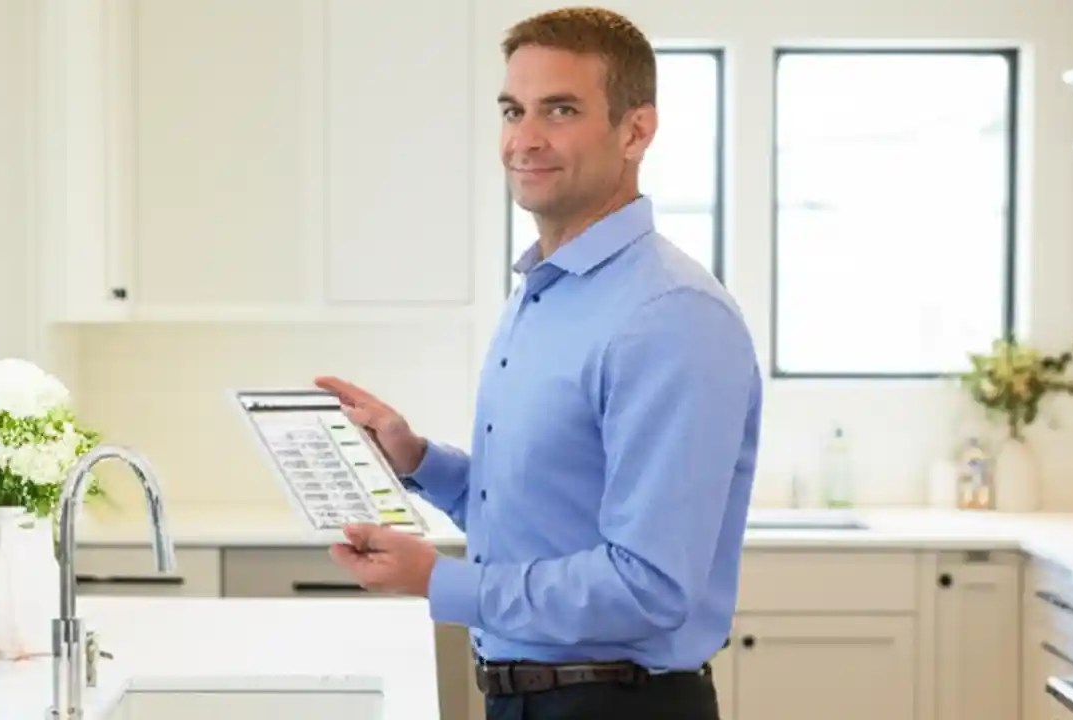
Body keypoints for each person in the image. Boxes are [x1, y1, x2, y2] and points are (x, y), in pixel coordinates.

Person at [316, 6, 761, 719]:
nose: (524, 139)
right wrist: (419, 458)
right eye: (511, 110)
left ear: (636, 130)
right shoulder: (545, 294)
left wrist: (440, 579)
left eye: (560, 110)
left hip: (617, 705)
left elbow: (646, 586)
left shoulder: (670, 315)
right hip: (527, 699)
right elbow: (538, 510)